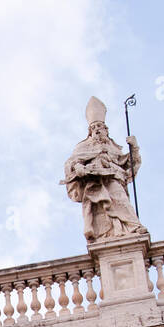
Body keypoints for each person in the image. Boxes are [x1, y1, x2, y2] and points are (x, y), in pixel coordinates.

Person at [62, 97, 144, 241]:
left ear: (106, 130)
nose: (97, 131)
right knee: (106, 211)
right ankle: (121, 232)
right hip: (96, 182)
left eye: (100, 127)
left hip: (114, 178)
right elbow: (71, 162)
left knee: (120, 200)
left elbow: (130, 166)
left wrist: (134, 148)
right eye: (94, 128)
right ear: (90, 132)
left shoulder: (113, 148)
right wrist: (79, 167)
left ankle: (131, 228)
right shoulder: (83, 147)